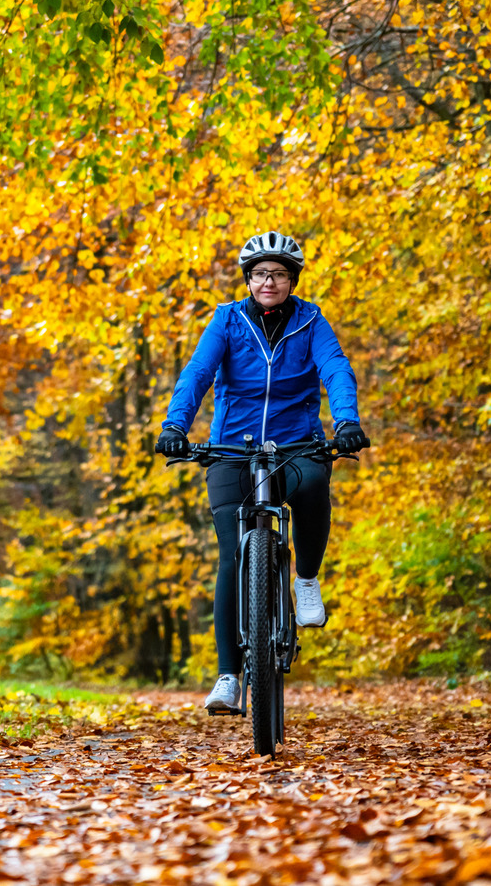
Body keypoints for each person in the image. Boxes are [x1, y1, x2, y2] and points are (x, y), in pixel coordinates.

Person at [154, 231, 368, 714]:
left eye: (278, 274)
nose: (268, 281)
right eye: (259, 274)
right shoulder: (227, 320)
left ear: (292, 279)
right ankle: (229, 676)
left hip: (296, 443)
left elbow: (336, 368)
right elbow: (198, 373)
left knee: (313, 484)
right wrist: (175, 425)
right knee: (232, 555)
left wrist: (347, 420)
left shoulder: (311, 320)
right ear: (248, 280)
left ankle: (306, 580)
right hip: (232, 446)